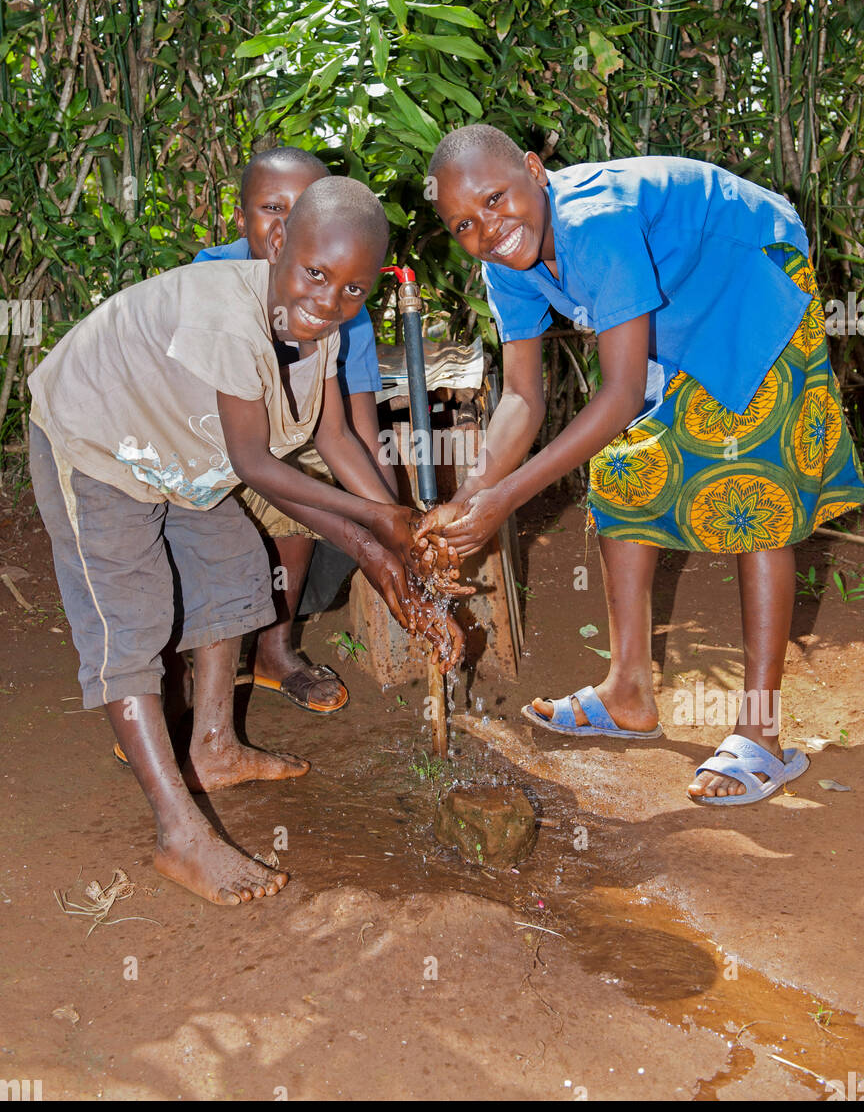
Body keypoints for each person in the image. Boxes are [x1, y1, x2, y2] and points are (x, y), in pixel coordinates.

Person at [29, 176, 461, 906]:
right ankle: (179, 833)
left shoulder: (321, 330)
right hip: (100, 444)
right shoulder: (227, 316)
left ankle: (216, 747)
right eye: (316, 275)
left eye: (354, 291)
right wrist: (385, 529)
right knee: (130, 621)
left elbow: (332, 439)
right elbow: (257, 465)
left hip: (176, 456)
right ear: (275, 244)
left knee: (234, 568)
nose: (329, 302)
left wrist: (390, 552)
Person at [417, 123, 864, 805]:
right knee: (625, 473)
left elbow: (621, 393)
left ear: (536, 171)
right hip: (679, 299)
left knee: (753, 495)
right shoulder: (507, 264)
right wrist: (471, 494)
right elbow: (522, 399)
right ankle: (627, 691)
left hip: (751, 268)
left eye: (496, 199)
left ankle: (764, 736)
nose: (488, 228)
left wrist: (503, 502)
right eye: (464, 223)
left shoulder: (596, 224)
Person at [192, 145, 397, 712]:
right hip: (190, 452)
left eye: (301, 208)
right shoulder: (212, 281)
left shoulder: (338, 307)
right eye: (271, 208)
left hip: (272, 456)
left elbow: (352, 432)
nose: (283, 225)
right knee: (227, 521)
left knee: (306, 469)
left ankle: (274, 649)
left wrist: (399, 526)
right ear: (242, 218)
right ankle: (183, 675)